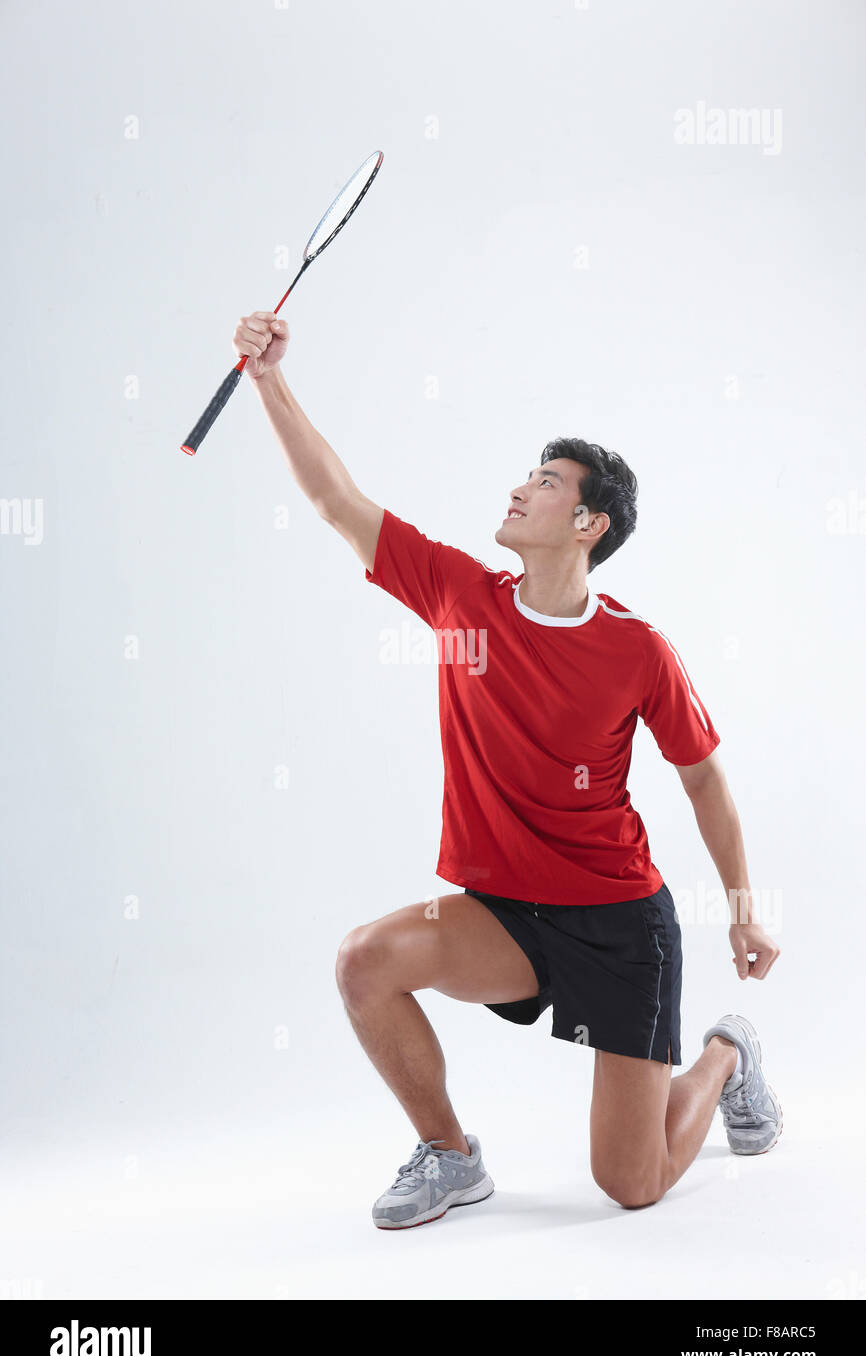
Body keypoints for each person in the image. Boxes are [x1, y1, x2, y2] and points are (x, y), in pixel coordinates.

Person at [236, 309, 783, 1231]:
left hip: (619, 925)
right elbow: (338, 501)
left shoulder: (638, 650)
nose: (520, 489)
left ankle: (727, 1050)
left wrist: (740, 909)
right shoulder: (458, 594)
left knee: (632, 1183)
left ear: (588, 523)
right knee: (365, 960)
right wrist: (270, 380)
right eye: (527, 474)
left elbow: (703, 778)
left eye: (546, 481)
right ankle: (451, 1155)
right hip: (505, 916)